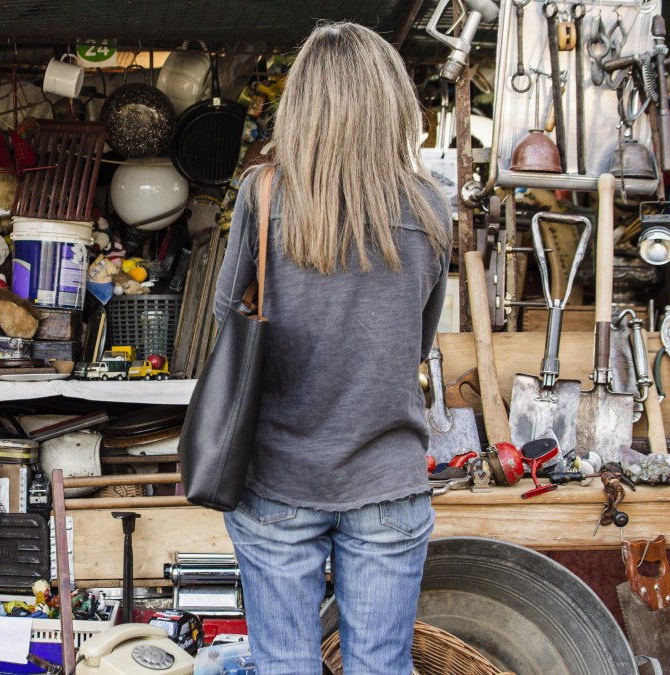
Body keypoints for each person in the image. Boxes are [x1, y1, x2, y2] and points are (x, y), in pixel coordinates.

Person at [212, 22, 451, 675]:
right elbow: (417, 340)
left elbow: (225, 324)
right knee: (380, 665)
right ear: (392, 102)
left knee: (285, 664)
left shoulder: (262, 196)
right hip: (387, 476)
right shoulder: (431, 208)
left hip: (279, 475)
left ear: (303, 102)